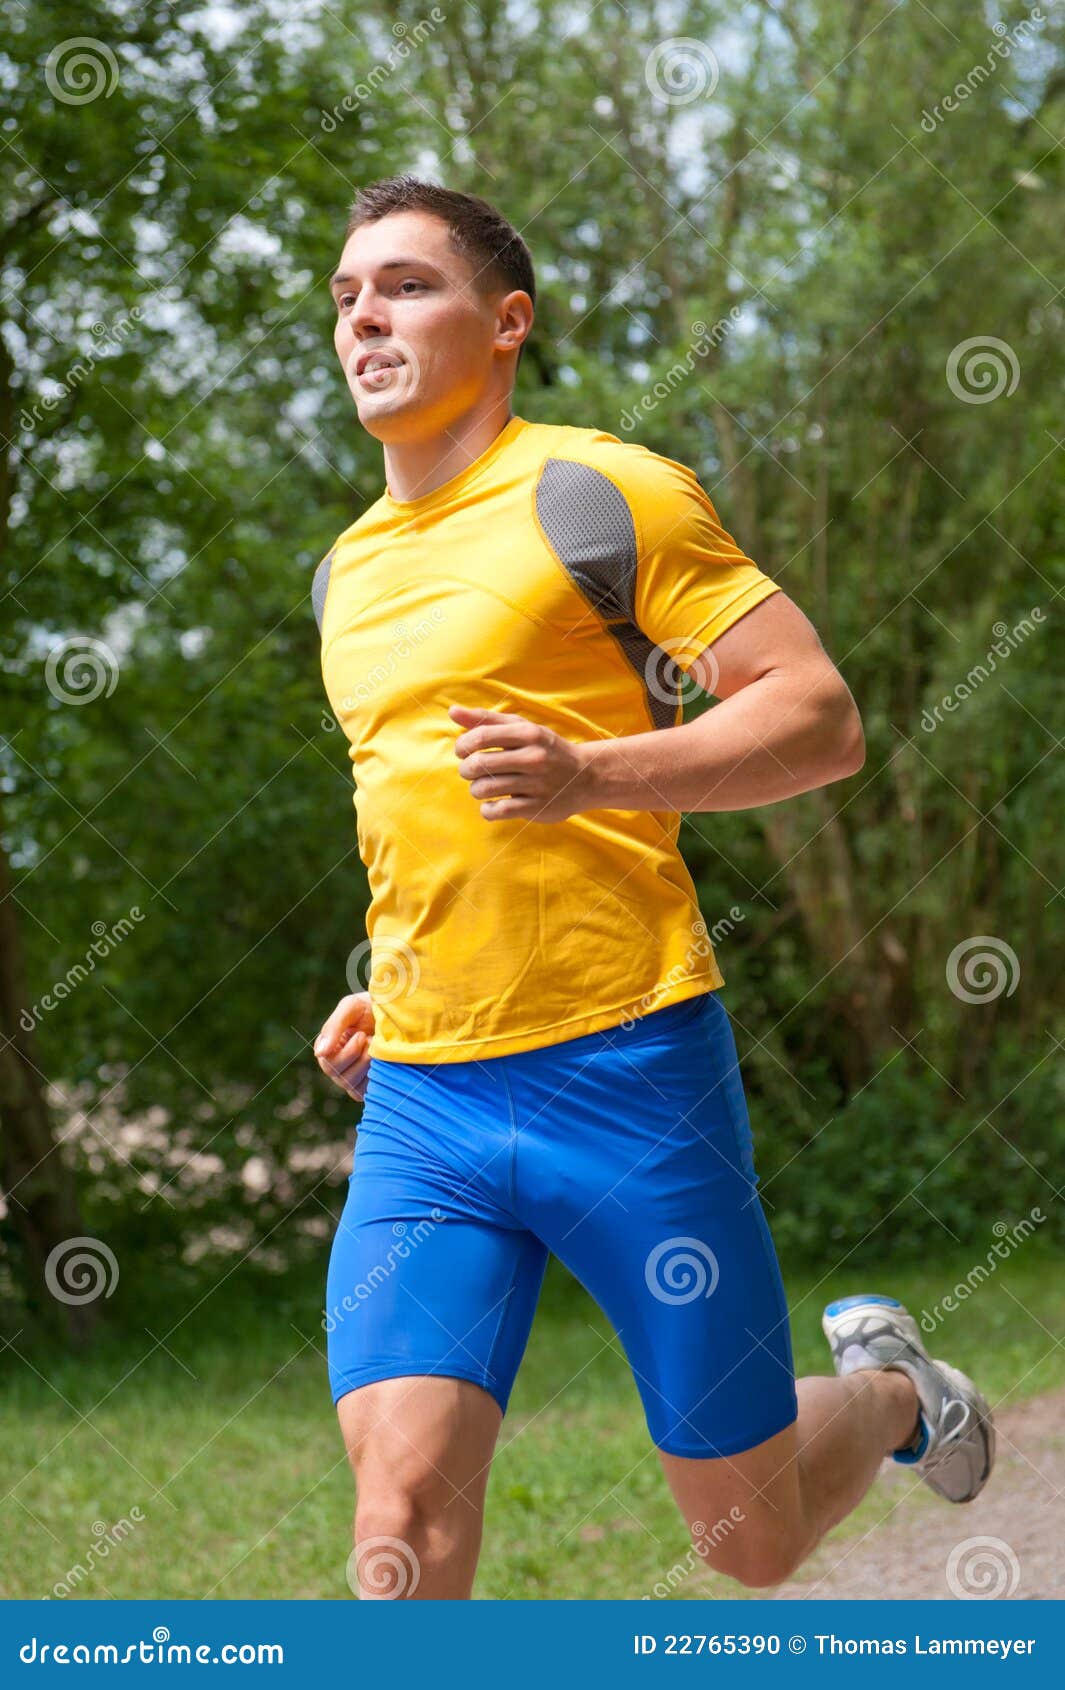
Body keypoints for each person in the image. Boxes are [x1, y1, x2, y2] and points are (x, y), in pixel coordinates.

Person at [311, 176, 994, 1601]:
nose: (365, 312)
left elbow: (816, 715)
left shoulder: (596, 491)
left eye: (405, 284)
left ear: (506, 324)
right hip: (429, 1099)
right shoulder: (347, 575)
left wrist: (591, 774)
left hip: (626, 1066)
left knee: (743, 1540)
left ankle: (883, 1394)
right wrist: (397, 968)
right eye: (346, 293)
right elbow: (418, 814)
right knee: (398, 1514)